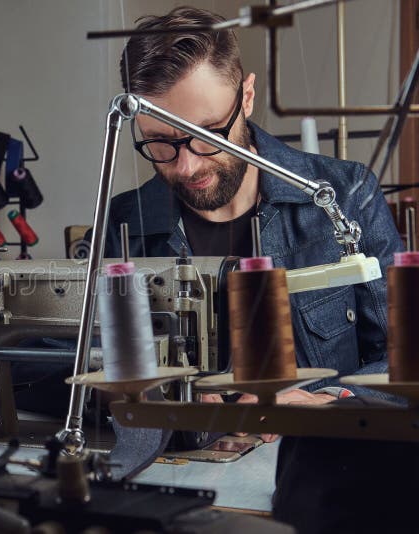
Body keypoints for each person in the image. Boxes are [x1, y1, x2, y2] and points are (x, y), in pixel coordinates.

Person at [104, 6, 402, 408]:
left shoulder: (347, 195)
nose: (187, 166)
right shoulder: (123, 225)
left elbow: (405, 359)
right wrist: (155, 396)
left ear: (246, 97)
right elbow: (61, 362)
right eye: (159, 143)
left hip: (311, 457)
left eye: (206, 134)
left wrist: (332, 399)